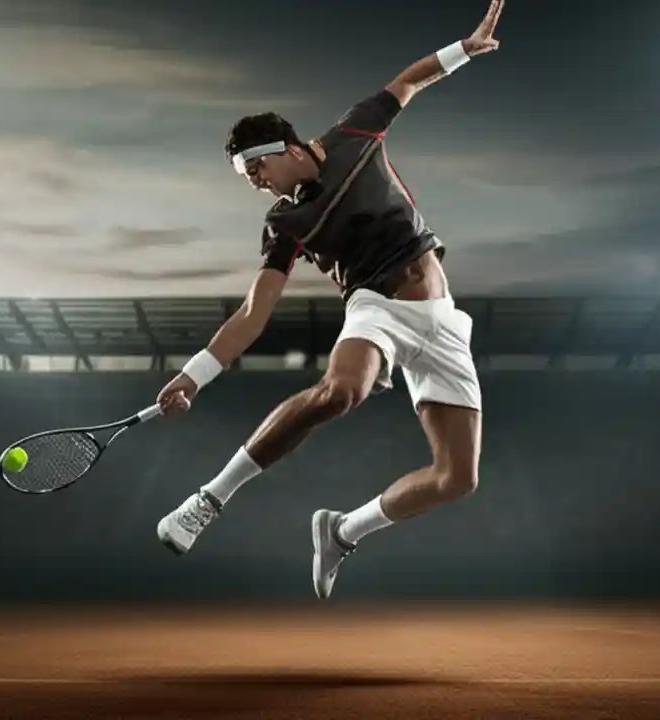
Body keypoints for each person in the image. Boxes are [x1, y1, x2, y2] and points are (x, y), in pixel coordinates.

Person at [154, 1, 504, 600]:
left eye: (257, 168)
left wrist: (461, 50)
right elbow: (252, 314)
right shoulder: (284, 225)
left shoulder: (355, 133)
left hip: (442, 319)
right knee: (343, 391)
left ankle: (343, 531)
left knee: (456, 479)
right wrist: (192, 375)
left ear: (288, 147)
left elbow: (409, 81)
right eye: (249, 179)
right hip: (377, 310)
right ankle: (208, 500)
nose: (257, 183)